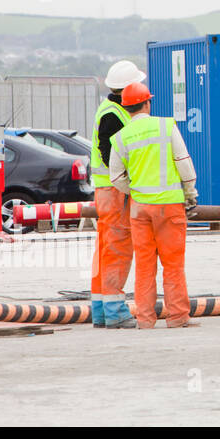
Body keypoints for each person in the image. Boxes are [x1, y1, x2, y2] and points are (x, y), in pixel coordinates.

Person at [109, 82, 198, 329]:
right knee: (173, 265)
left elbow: (116, 177)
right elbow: (184, 164)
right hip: (169, 206)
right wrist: (190, 193)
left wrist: (136, 192)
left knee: (145, 266)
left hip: (139, 209)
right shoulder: (165, 126)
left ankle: (146, 319)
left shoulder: (120, 137)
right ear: (148, 103)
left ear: (126, 108)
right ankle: (178, 317)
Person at [89, 60, 145, 329]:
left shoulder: (109, 110)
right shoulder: (114, 114)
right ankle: (115, 311)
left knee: (105, 249)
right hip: (114, 191)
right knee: (118, 249)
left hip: (105, 189)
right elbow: (109, 153)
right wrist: (127, 181)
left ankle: (101, 309)